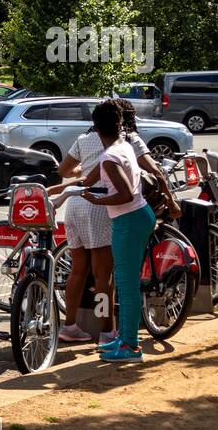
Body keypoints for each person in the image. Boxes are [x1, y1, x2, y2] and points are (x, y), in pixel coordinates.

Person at [81, 100, 154, 362]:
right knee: (126, 283)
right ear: (119, 124)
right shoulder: (122, 146)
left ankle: (130, 346)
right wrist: (60, 193)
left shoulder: (109, 158)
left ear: (96, 128)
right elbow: (87, 181)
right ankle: (125, 340)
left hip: (129, 219)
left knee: (126, 285)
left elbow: (125, 194)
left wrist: (98, 201)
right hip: (138, 216)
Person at [49, 129, 116, 345]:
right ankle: (106, 331)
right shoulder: (120, 138)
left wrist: (81, 170)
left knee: (78, 270)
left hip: (75, 203)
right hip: (99, 203)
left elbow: (63, 169)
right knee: (102, 276)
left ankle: (69, 326)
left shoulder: (83, 139)